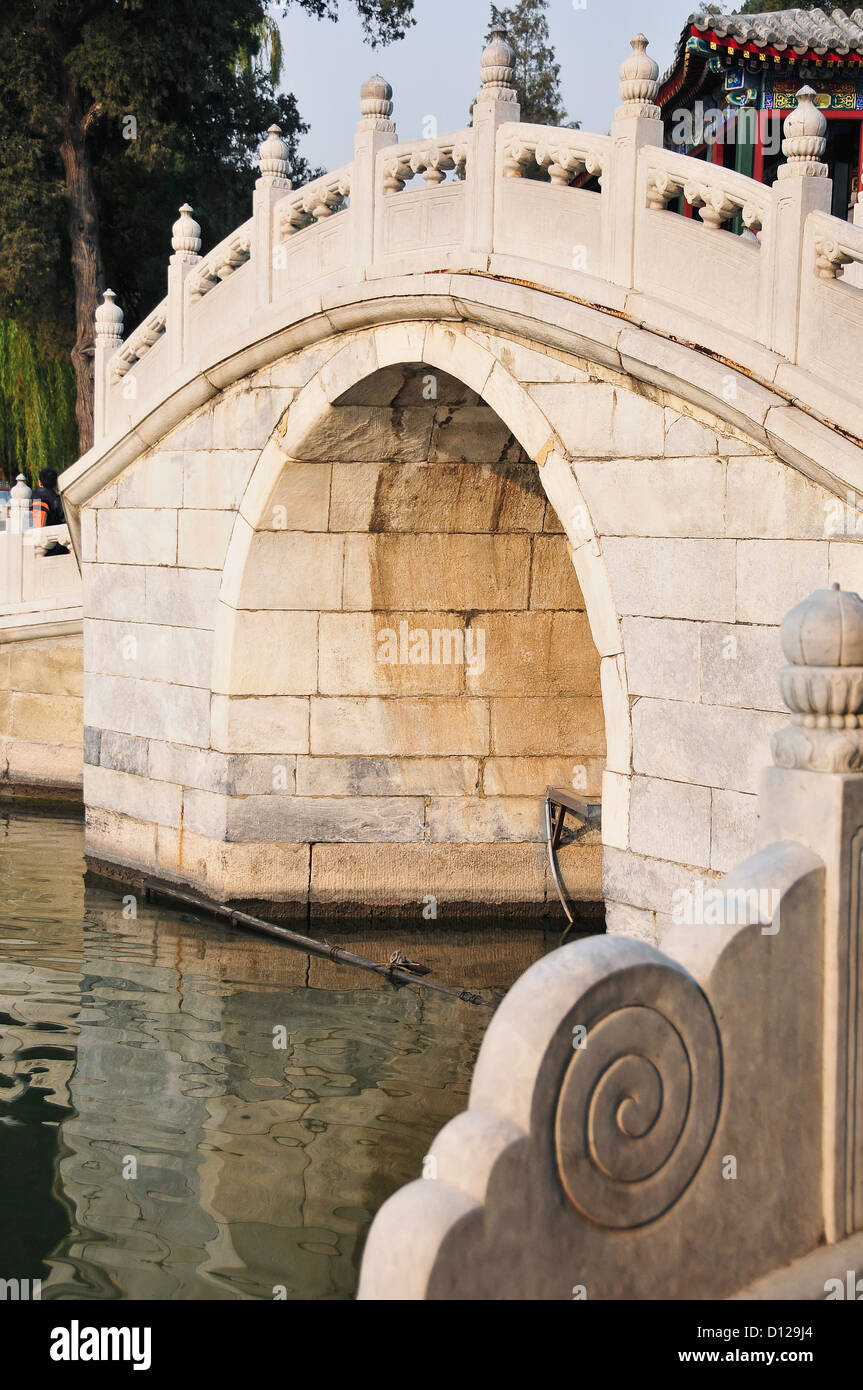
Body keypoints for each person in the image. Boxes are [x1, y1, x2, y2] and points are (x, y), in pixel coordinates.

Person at [31, 467, 69, 554]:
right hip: (55, 547)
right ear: (56, 483)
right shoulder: (58, 500)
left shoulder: (30, 496)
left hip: (32, 544)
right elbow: (65, 522)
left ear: (40, 482)